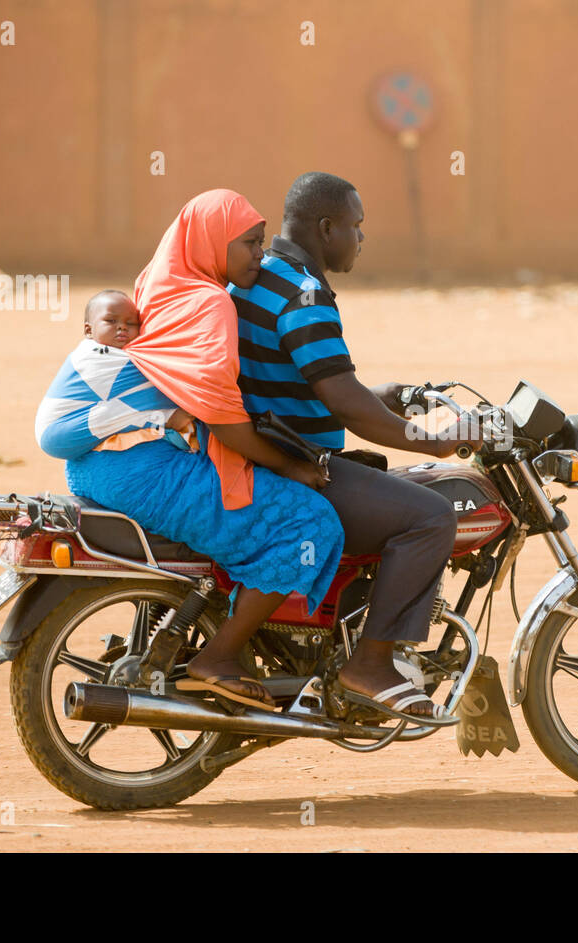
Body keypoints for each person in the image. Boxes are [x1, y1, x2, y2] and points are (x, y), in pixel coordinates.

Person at [57, 189, 344, 710]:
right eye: (251, 243)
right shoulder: (211, 303)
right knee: (312, 522)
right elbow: (223, 417)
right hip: (143, 469)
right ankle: (220, 655)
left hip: (99, 462)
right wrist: (293, 466)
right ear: (213, 243)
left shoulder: (157, 280)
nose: (262, 254)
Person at [231, 172, 482, 726]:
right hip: (296, 467)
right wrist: (433, 439)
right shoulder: (303, 291)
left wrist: (391, 396)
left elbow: (308, 383)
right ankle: (370, 664)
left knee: (395, 490)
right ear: (326, 229)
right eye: (356, 226)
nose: (361, 239)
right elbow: (342, 401)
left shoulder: (258, 277)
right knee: (429, 517)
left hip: (269, 452)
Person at [34, 291, 197, 459]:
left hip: (76, 427)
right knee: (150, 390)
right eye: (111, 321)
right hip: (58, 433)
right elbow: (159, 377)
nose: (122, 327)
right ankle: (165, 419)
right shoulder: (94, 356)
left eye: (132, 323)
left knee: (135, 397)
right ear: (89, 330)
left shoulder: (118, 355)